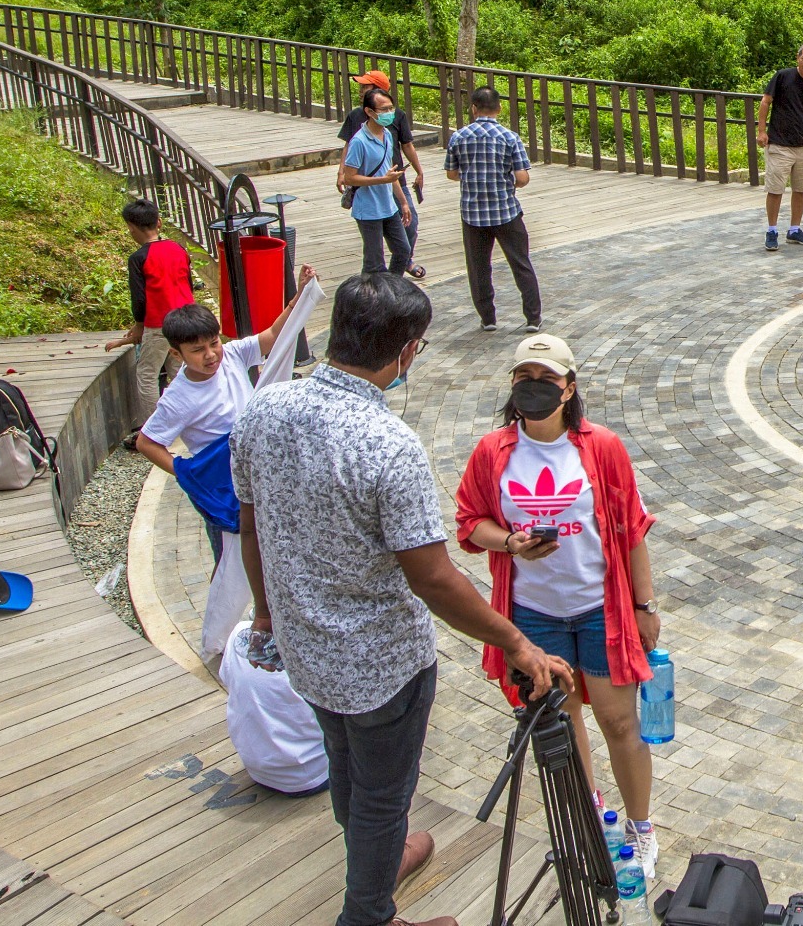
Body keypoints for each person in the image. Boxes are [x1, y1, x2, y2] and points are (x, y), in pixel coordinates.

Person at [233, 273, 573, 926]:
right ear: (408, 350)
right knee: (383, 797)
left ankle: (377, 858)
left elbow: (251, 526)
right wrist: (516, 642)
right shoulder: (388, 445)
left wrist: (268, 616)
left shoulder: (263, 409)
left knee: (346, 770)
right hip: (383, 667)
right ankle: (370, 914)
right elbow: (434, 578)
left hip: (303, 648)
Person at [454, 334, 665, 877]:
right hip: (533, 614)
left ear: (569, 388)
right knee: (565, 728)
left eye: (547, 379)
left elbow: (632, 530)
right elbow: (470, 521)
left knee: (620, 723)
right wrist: (510, 542)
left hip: (600, 609)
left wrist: (645, 605)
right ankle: (589, 818)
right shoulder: (492, 451)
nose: (535, 388)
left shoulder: (603, 447)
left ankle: (641, 828)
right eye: (524, 378)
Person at [132, 269, 316, 565]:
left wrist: (298, 297)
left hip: (256, 470)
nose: (210, 355)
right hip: (225, 485)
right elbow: (147, 442)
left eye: (213, 343)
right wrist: (186, 472)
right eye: (197, 350)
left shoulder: (232, 355)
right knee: (231, 558)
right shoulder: (178, 398)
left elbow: (272, 336)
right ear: (177, 355)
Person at [446, 85, 542, 333]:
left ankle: (488, 318)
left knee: (478, 268)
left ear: (473, 109)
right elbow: (522, 178)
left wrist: (471, 176)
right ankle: (533, 318)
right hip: (505, 210)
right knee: (521, 264)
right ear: (499, 108)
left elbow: (452, 173)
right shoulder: (510, 137)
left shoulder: (459, 137)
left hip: (472, 213)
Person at [105, 199, 195, 443]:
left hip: (159, 324)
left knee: (147, 374)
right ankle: (186, 421)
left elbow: (139, 299)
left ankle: (154, 433)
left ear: (131, 228)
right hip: (187, 319)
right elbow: (187, 284)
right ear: (159, 222)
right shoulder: (178, 249)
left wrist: (138, 326)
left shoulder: (138, 258)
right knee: (180, 371)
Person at [219, 620, 329, 797]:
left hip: (259, 769)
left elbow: (227, 679)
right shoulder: (316, 645)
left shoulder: (239, 634)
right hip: (316, 772)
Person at [341, 70, 427, 278]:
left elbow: (390, 171)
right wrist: (383, 180)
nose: (389, 113)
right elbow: (350, 177)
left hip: (388, 205)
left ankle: (391, 286)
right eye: (384, 109)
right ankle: (370, 292)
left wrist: (403, 203)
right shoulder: (359, 141)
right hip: (368, 209)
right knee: (374, 262)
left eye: (391, 108)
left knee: (403, 250)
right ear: (370, 112)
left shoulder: (387, 134)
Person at [756, 42, 803, 252]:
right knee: (775, 189)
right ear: (798, 58)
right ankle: (772, 230)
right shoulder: (782, 76)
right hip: (779, 144)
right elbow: (765, 102)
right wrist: (762, 131)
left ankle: (794, 230)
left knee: (801, 189)